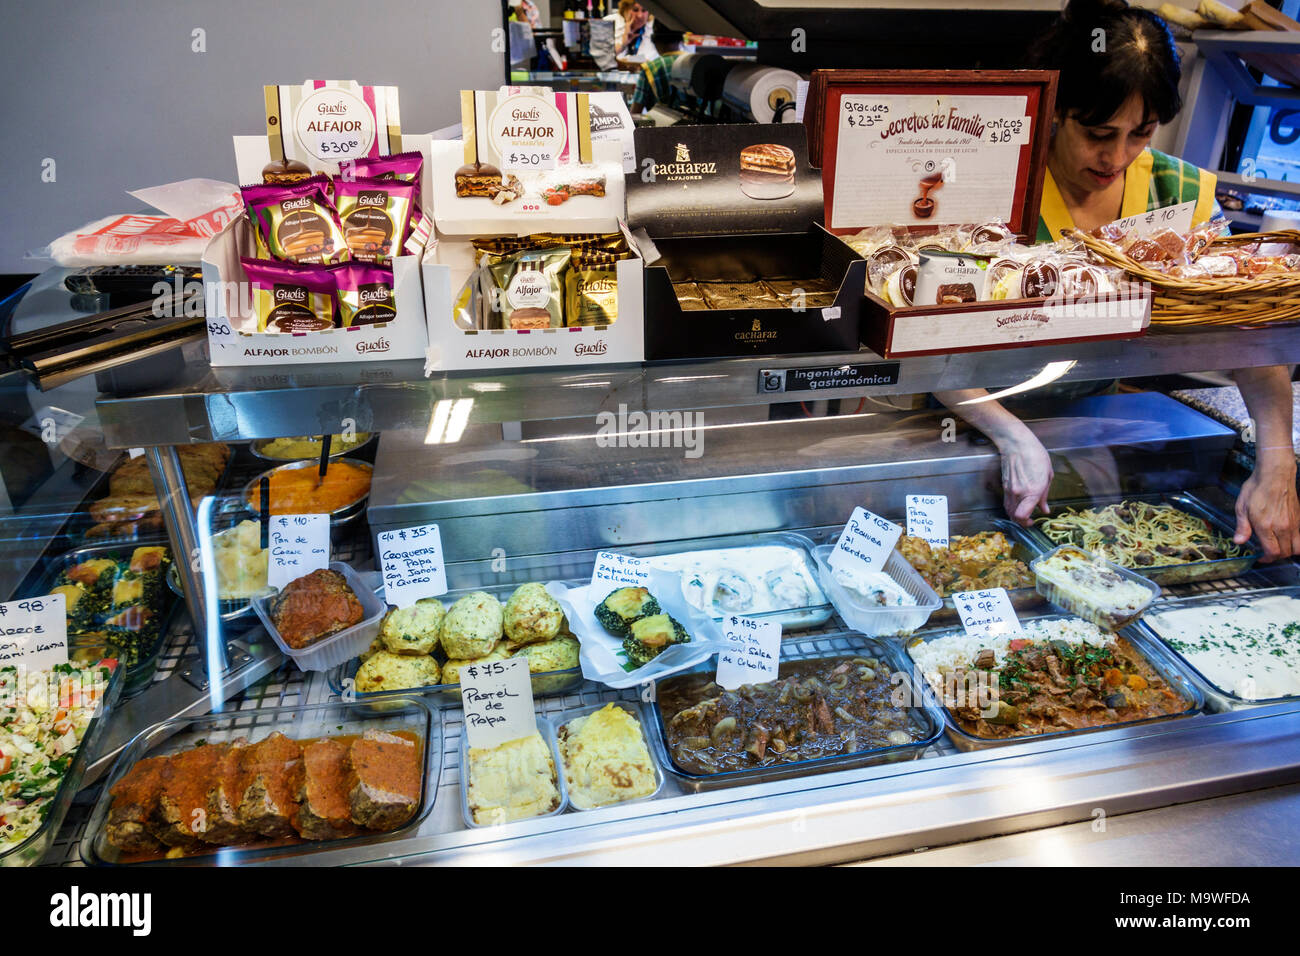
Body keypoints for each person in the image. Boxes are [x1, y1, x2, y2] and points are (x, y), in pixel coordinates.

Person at [935, 0, 1300, 561]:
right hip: (962, 425)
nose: (1116, 156)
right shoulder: (995, 180)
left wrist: (1278, 460)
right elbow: (931, 335)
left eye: (1141, 134)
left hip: (1090, 432)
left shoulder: (1180, 193)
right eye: (1098, 131)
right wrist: (1009, 433)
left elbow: (1251, 333)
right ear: (1056, 107)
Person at [630, 24, 687, 114]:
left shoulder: (650, 68)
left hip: (663, 126)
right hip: (700, 125)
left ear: (655, 41)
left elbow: (635, 112)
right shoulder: (693, 62)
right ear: (680, 40)